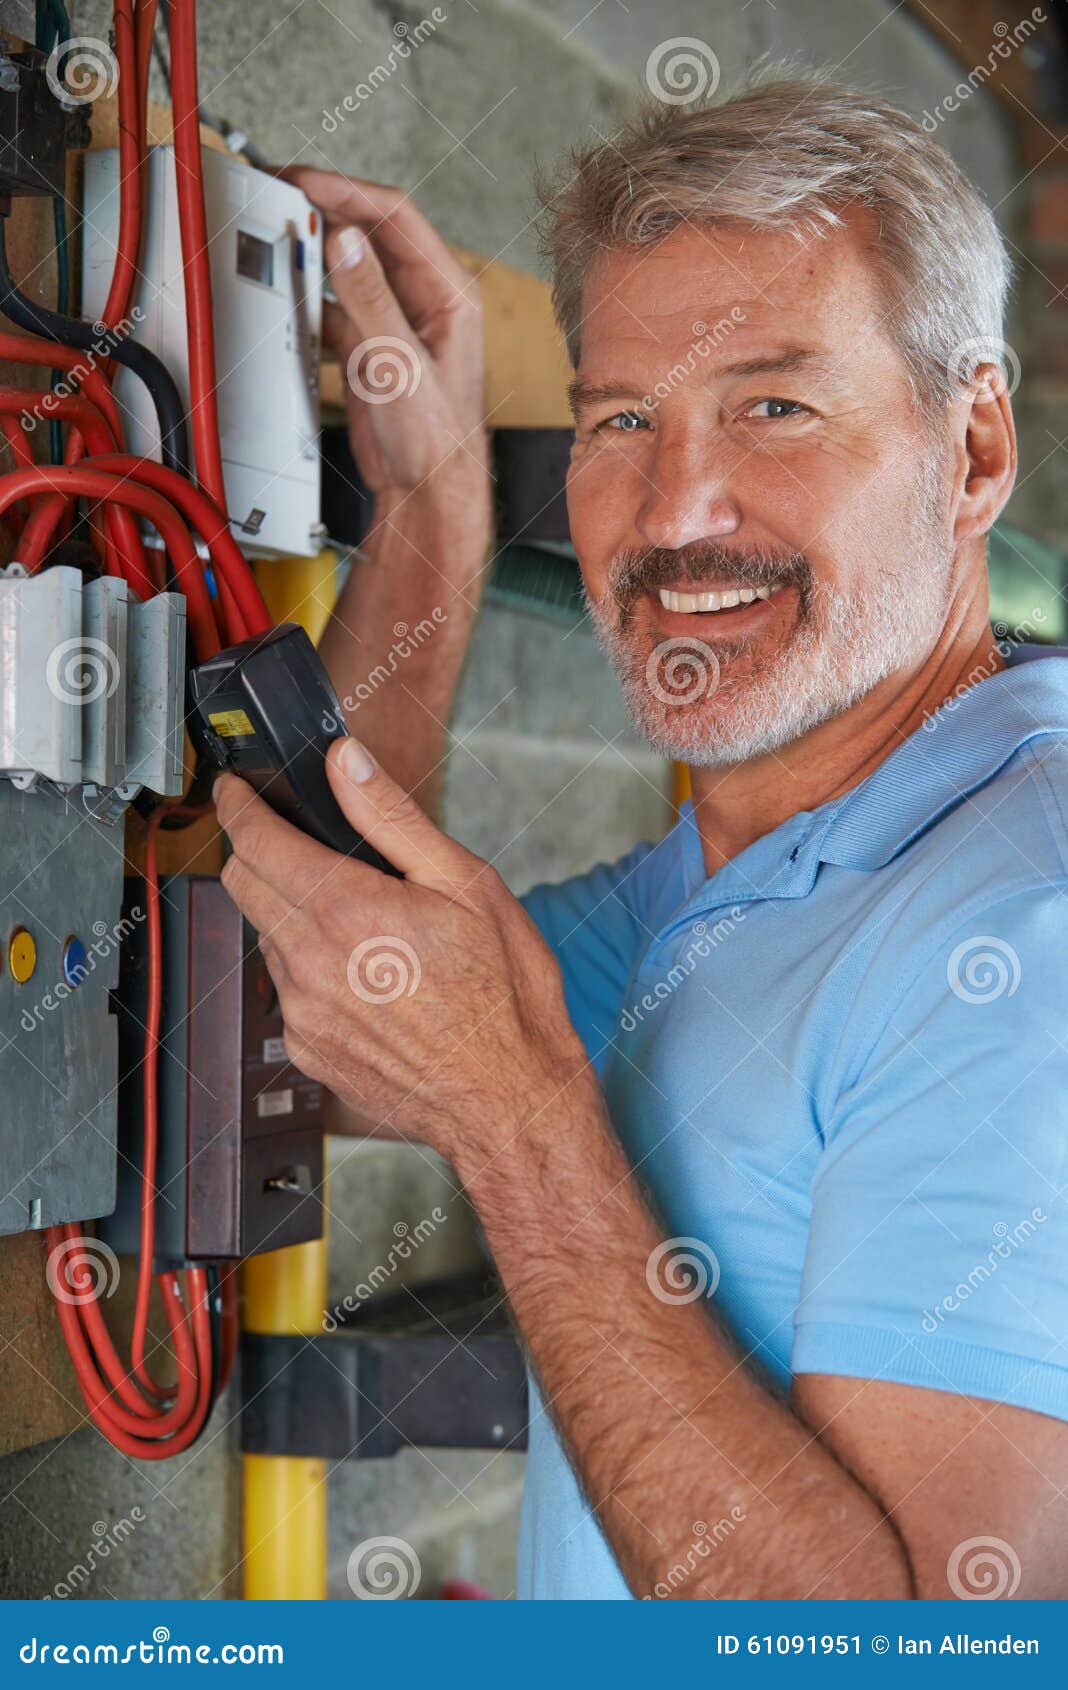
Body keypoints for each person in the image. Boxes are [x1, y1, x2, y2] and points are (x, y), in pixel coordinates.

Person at [214, 77, 1068, 1599]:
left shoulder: (1021, 925)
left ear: (978, 448)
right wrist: (431, 508)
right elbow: (326, 1026)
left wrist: (519, 1123)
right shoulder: (737, 872)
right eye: (624, 418)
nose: (675, 511)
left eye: (775, 405)